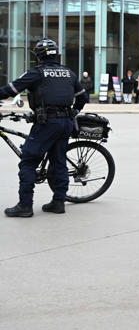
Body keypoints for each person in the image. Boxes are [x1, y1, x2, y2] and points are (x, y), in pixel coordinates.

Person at [2, 39, 88, 217]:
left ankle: (25, 205)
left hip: (47, 123)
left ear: (38, 57)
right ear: (56, 55)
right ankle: (58, 202)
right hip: (65, 123)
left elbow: (10, 90)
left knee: (28, 161)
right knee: (59, 162)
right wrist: (73, 112)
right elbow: (83, 98)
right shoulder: (69, 73)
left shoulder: (37, 73)